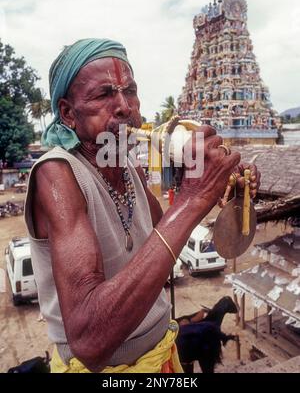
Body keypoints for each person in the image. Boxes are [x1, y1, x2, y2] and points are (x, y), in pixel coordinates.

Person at [24, 38, 260, 373]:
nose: (124, 106)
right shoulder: (57, 175)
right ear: (67, 113)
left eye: (130, 91)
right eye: (104, 94)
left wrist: (221, 185)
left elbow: (161, 251)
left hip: (162, 356)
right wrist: (194, 198)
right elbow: (90, 341)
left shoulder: (126, 164)